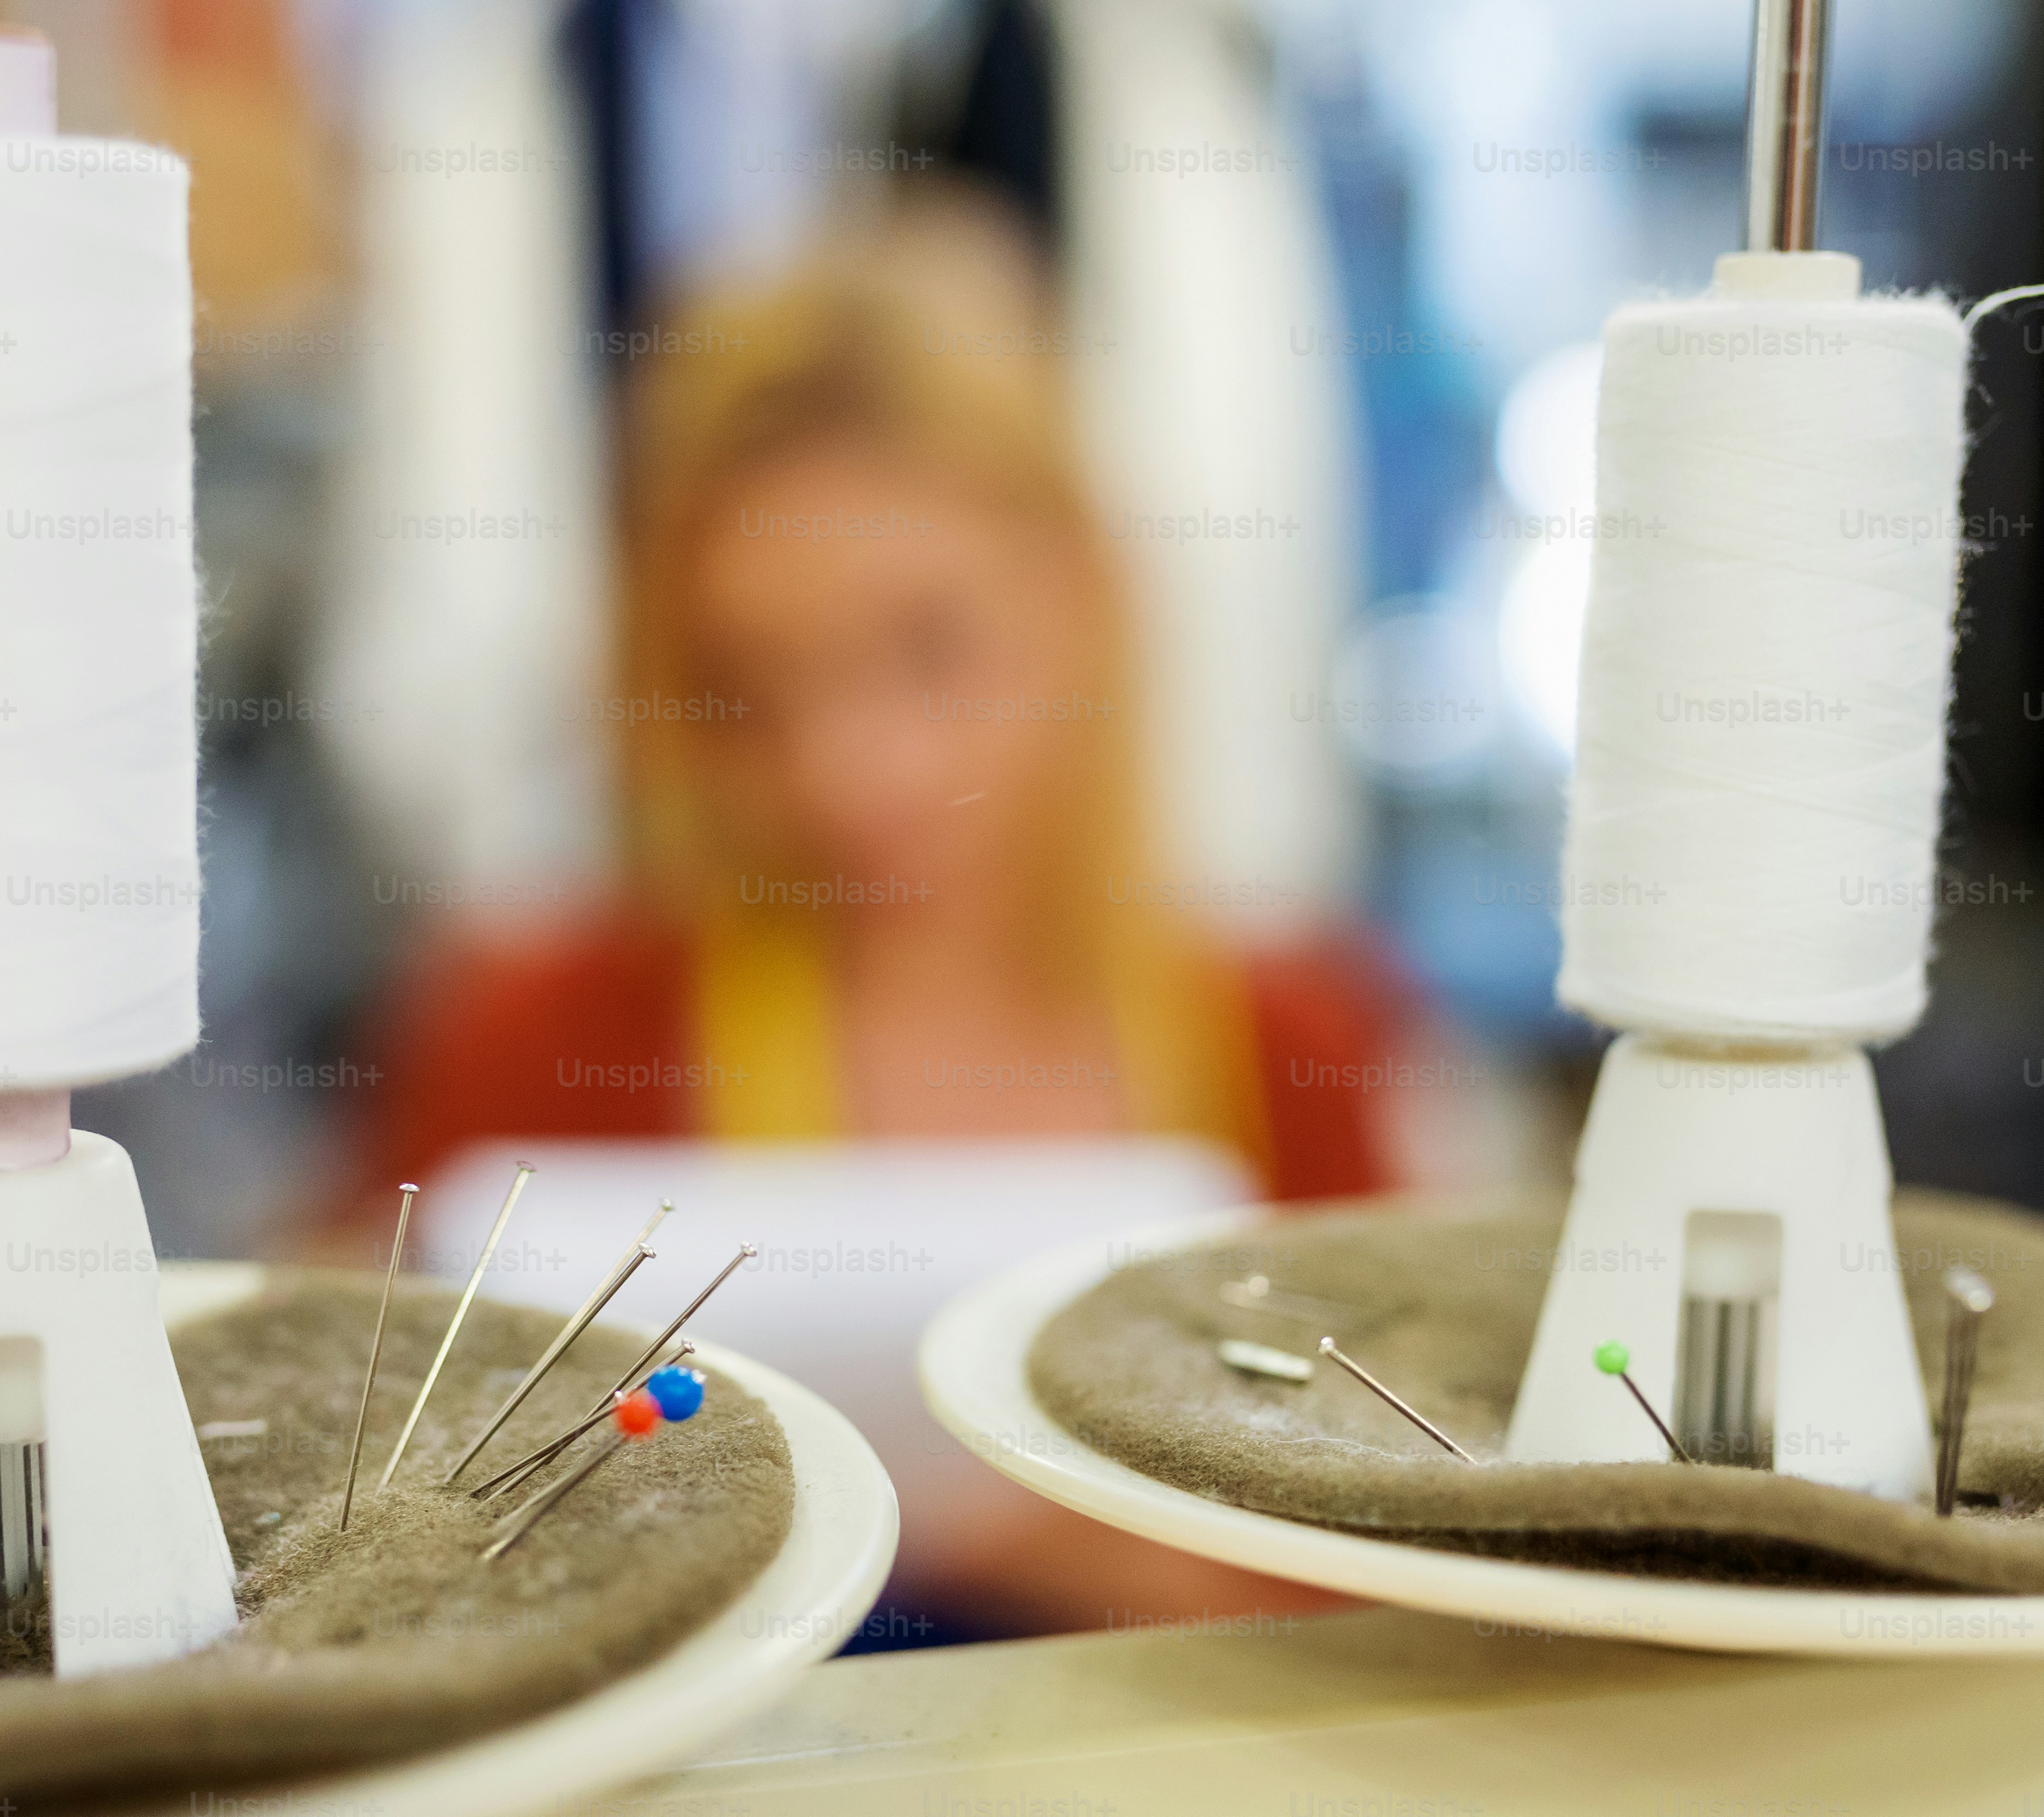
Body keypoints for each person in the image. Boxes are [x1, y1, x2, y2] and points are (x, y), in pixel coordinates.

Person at [359, 195, 1438, 1634]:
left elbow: (1427, 1570)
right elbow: (358, 1540)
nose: (844, 771)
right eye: (747, 691)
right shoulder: (536, 1034)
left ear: (1081, 596)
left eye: (925, 651)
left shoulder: (1292, 1040)